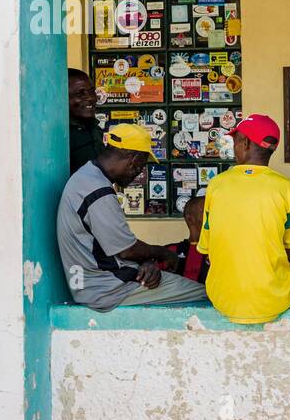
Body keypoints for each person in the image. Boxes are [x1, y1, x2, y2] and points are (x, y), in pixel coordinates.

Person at [58, 123, 207, 311]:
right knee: (206, 295)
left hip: (99, 283)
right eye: (142, 165)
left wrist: (147, 261)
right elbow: (126, 250)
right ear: (134, 160)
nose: (139, 172)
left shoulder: (86, 176)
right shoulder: (98, 190)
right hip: (108, 289)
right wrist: (163, 253)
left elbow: (116, 247)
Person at [197, 114, 290, 324]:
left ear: (245, 142)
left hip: (222, 298)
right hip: (273, 300)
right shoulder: (289, 189)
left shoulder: (216, 185)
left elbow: (208, 250)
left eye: (235, 141)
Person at [166, 193, 210, 285]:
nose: (212, 217)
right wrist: (148, 265)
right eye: (206, 213)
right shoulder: (173, 251)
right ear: (190, 219)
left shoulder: (222, 251)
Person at [68, 68, 103, 175]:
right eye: (80, 93)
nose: (91, 98)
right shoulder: (61, 136)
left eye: (92, 91)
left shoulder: (95, 129)